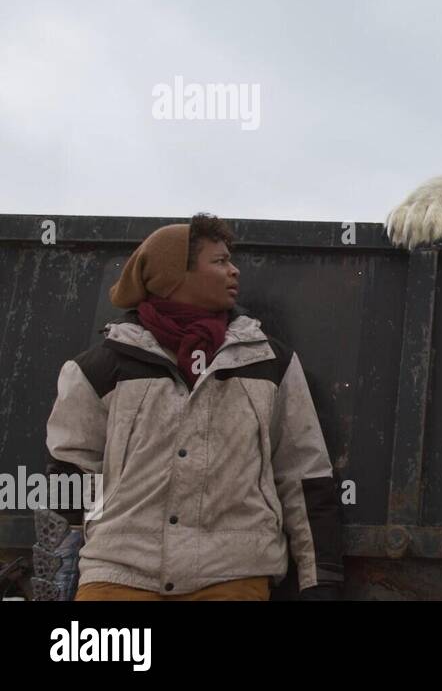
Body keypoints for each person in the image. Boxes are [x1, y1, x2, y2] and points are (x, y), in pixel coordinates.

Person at [35, 213, 344, 600]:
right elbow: (70, 472)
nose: (234, 271)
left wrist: (321, 581)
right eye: (219, 261)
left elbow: (304, 474)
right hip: (118, 576)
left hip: (232, 576)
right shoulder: (98, 368)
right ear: (171, 277)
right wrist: (63, 567)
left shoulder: (270, 364)